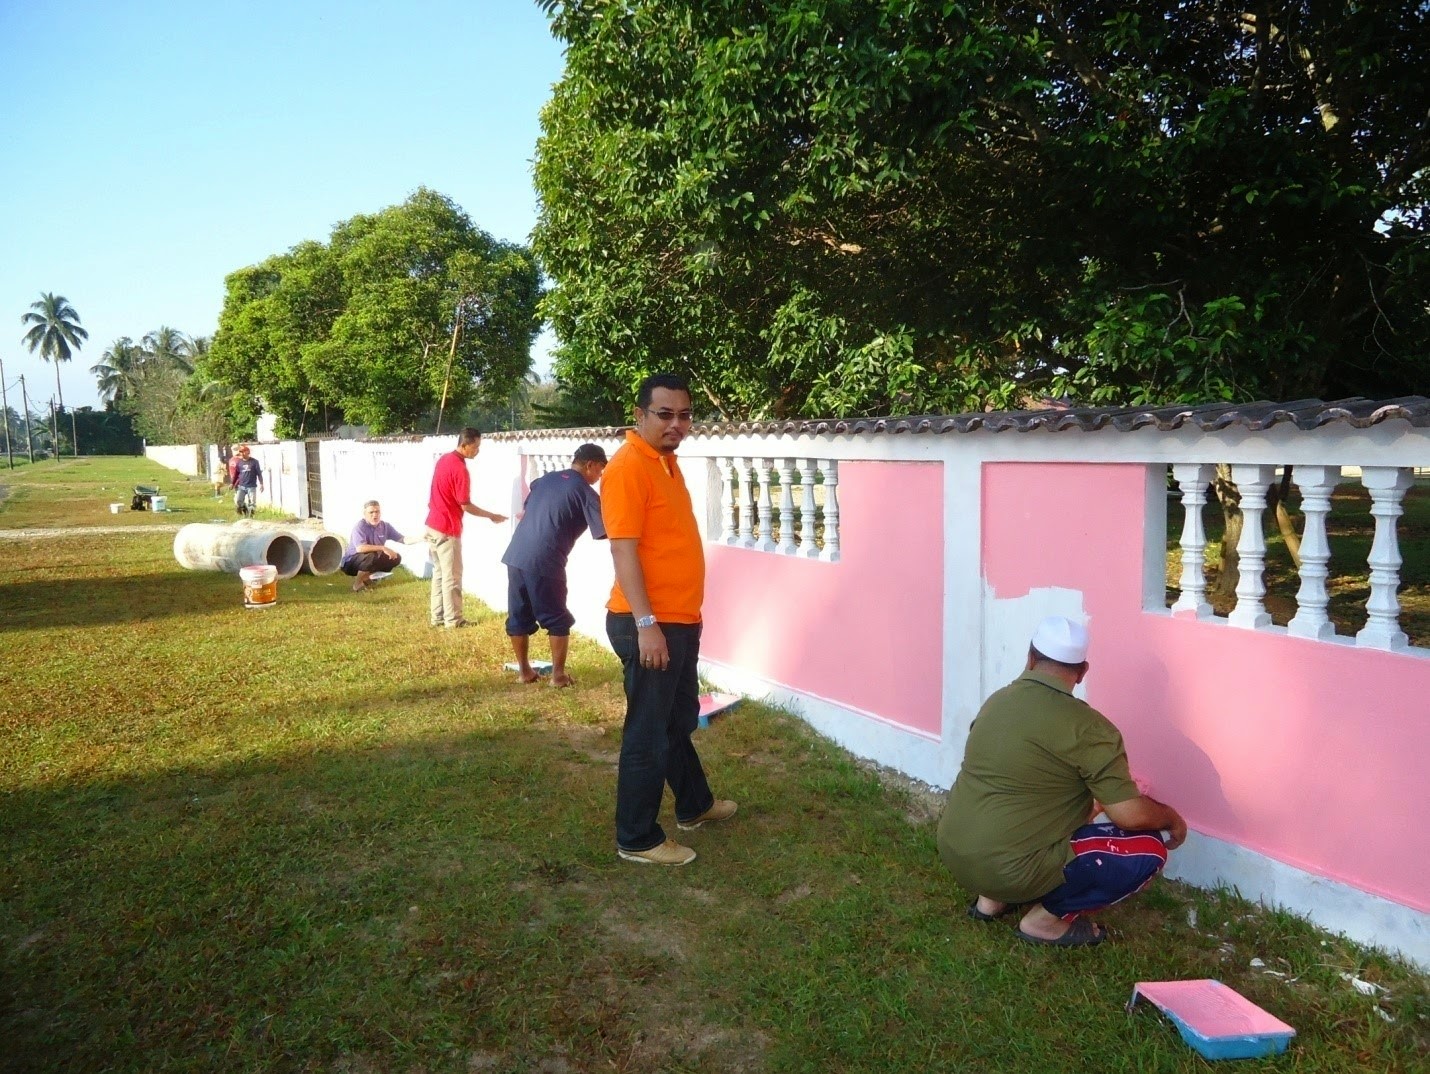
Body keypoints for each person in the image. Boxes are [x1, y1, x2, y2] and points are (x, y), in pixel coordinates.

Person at [937, 616, 1187, 946]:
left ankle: (990, 901)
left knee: (1013, 804)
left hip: (954, 851)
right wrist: (1171, 818)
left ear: (1030, 658)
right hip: (1009, 869)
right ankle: (1043, 923)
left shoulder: (996, 701)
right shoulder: (1090, 728)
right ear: (1082, 672)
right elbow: (1129, 815)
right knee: (1149, 850)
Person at [602, 373, 736, 866]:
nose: (676, 424)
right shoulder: (628, 467)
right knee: (648, 732)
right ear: (640, 416)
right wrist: (646, 625)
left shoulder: (666, 463)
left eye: (684, 415)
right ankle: (637, 838)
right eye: (664, 414)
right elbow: (623, 550)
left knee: (678, 720)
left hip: (679, 621)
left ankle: (694, 804)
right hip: (648, 624)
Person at [502, 444, 609, 686]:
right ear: (590, 465)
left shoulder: (545, 480)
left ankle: (525, 672)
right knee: (557, 619)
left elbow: (530, 506)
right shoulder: (584, 491)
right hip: (546, 560)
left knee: (518, 615)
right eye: (600, 470)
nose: (599, 476)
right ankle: (558, 676)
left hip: (516, 555)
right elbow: (606, 530)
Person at [424, 426, 507, 628]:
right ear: (464, 445)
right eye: (475, 447)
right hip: (447, 528)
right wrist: (491, 516)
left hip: (432, 524)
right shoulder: (460, 469)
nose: (477, 451)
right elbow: (465, 505)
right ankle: (453, 620)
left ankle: (437, 617)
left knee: (439, 573)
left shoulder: (444, 459)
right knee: (452, 577)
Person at [342, 500, 409, 592]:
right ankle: (357, 586)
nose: (375, 515)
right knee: (371, 556)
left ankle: (370, 579)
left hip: (371, 558)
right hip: (351, 563)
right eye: (371, 512)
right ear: (365, 514)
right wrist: (383, 548)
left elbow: (402, 539)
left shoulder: (385, 526)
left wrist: (421, 538)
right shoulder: (360, 526)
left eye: (377, 512)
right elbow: (360, 548)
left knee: (395, 557)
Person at [232, 445, 263, 517]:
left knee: (252, 503)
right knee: (238, 501)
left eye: (243, 452)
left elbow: (259, 473)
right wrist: (232, 483)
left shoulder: (254, 462)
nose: (242, 454)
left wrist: (261, 483)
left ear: (248, 452)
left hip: (251, 486)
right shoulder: (239, 462)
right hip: (241, 486)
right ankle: (245, 510)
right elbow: (236, 474)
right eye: (240, 452)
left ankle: (251, 517)